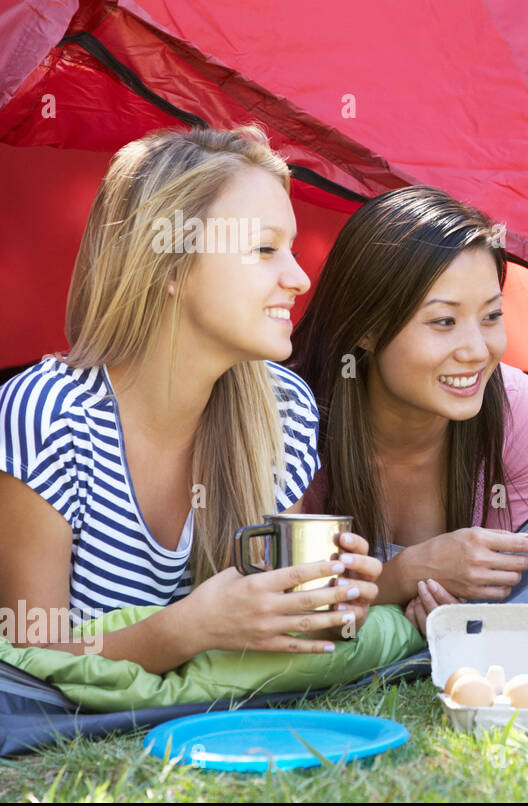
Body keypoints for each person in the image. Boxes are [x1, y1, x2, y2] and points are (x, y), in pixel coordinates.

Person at [0, 126, 383, 674]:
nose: (299, 278)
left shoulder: (285, 409)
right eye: (265, 249)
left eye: (292, 250)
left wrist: (322, 603)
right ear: (172, 265)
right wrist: (188, 628)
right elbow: (25, 652)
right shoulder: (48, 414)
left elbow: (272, 620)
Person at [289, 186, 528, 636]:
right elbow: (292, 607)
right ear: (368, 329)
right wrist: (403, 575)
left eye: (491, 316)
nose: (476, 351)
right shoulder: (293, 418)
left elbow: (486, 594)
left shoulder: (523, 419)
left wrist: (456, 603)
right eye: (444, 321)